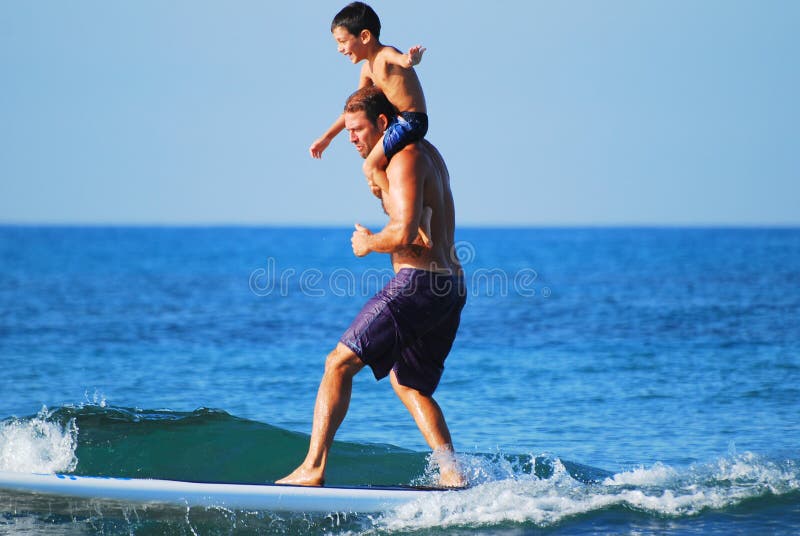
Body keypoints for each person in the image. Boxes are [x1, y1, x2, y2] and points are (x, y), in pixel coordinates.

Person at [276, 86, 466, 488]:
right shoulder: (426, 153)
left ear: (383, 123)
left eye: (357, 130)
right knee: (409, 383)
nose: (352, 139)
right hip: (449, 286)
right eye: (347, 132)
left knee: (337, 364)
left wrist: (368, 243)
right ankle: (451, 473)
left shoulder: (406, 159)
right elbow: (425, 229)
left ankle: (313, 467)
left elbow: (404, 234)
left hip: (420, 283)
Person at [310, 1, 434, 247]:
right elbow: (354, 111)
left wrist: (412, 58)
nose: (340, 49)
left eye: (343, 41)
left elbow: (404, 61)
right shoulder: (367, 70)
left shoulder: (386, 55)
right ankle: (416, 213)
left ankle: (411, 214)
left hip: (410, 122)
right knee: (376, 170)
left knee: (370, 167)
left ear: (364, 36)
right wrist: (328, 137)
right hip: (399, 123)